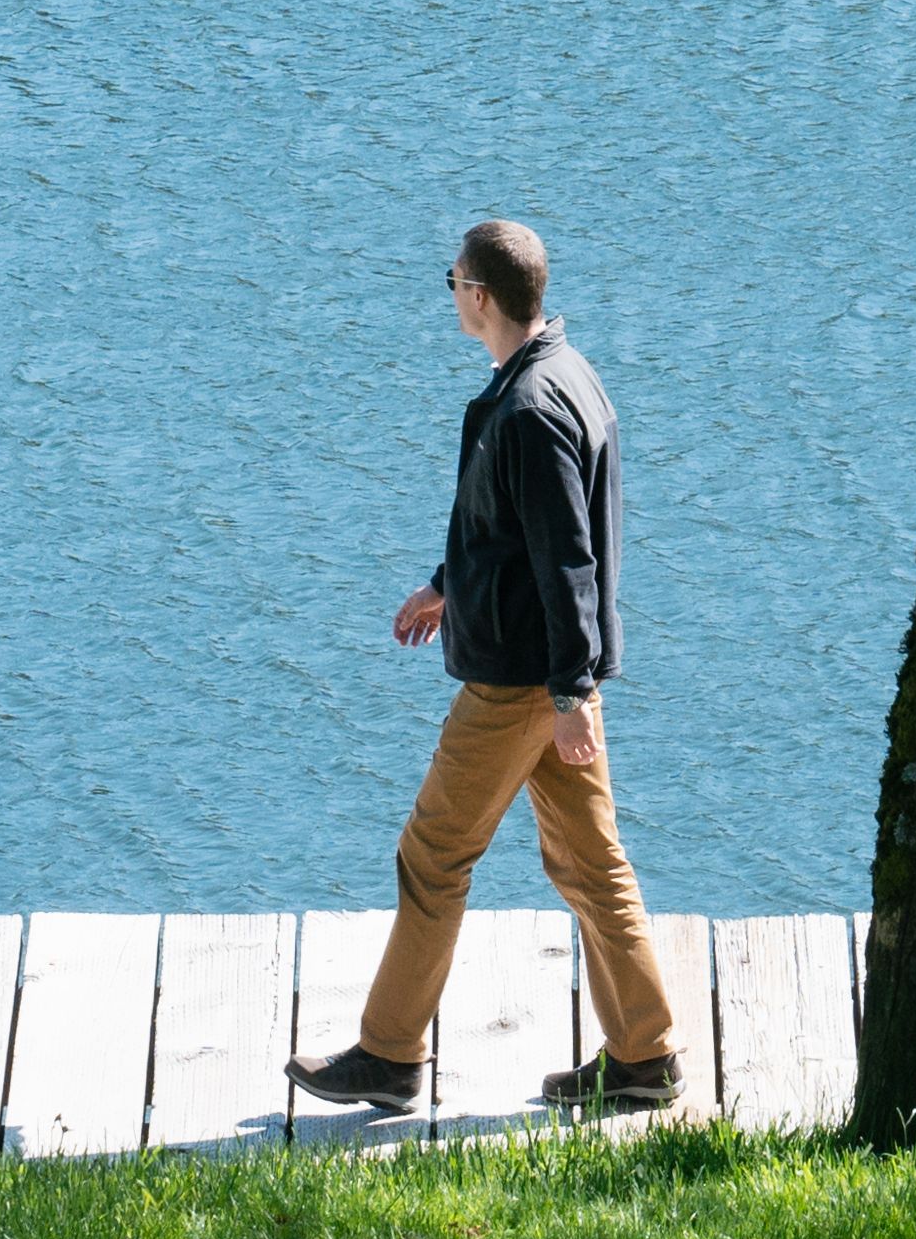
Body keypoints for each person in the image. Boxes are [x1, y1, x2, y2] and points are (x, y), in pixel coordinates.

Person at [286, 218, 688, 1114]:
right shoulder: (557, 376)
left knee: (432, 855)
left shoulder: (533, 409)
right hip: (544, 677)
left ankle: (389, 1056)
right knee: (591, 865)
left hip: (519, 685)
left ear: (480, 295)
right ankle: (644, 1058)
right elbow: (509, 531)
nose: (452, 294)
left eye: (453, 281)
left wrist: (572, 690)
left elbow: (566, 561)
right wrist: (445, 587)